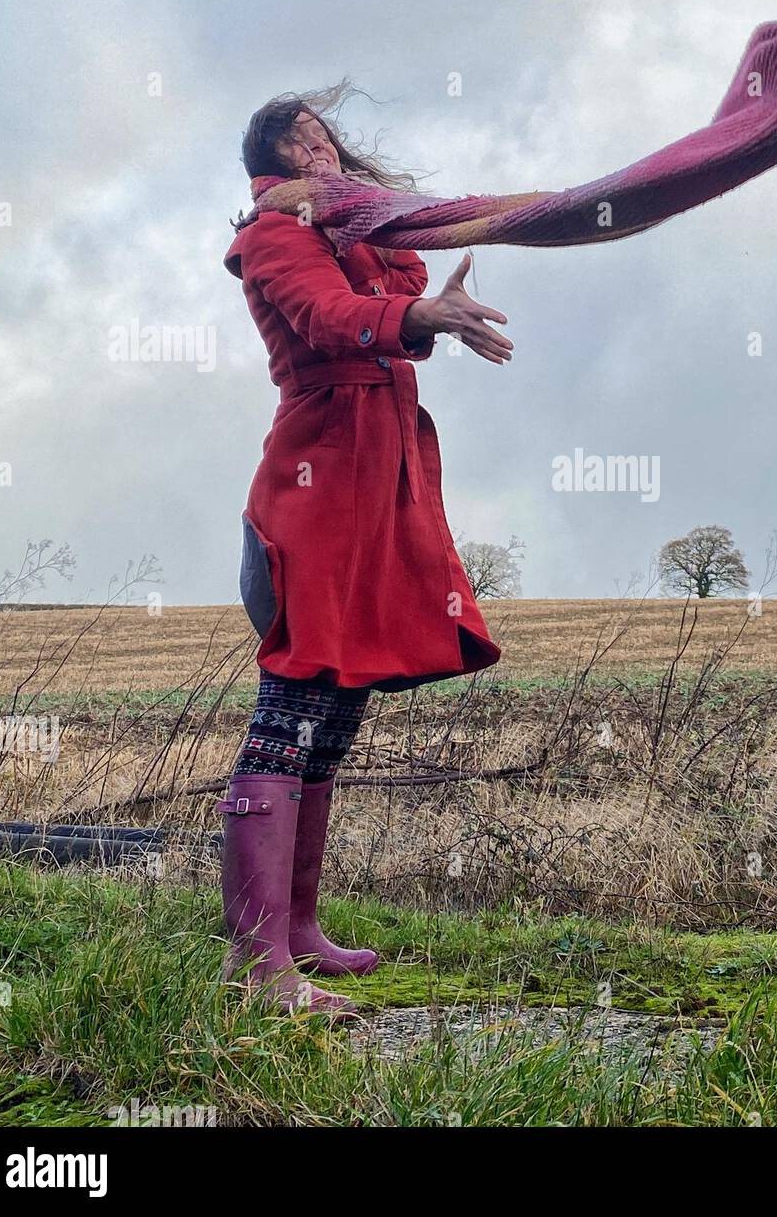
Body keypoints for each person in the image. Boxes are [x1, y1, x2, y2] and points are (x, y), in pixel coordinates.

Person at [218, 87, 514, 1018]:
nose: (319, 150)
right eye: (296, 142)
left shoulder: (361, 230)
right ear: (270, 166)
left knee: (333, 725)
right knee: (289, 712)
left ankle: (299, 929)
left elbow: (396, 286)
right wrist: (420, 318)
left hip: (376, 503)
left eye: (325, 136)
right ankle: (257, 963)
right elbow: (328, 316)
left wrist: (421, 293)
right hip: (308, 505)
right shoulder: (273, 241)